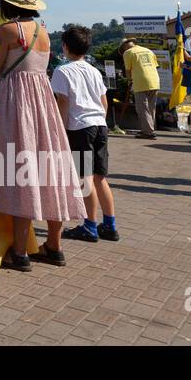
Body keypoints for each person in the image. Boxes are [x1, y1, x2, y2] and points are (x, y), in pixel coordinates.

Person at [0, 0, 85, 271]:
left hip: (16, 103)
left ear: (6, 2)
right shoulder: (44, 31)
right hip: (43, 101)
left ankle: (21, 252)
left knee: (20, 169)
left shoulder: (8, 30)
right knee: (49, 167)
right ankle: (54, 246)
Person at [54, 25, 119, 243]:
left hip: (79, 127)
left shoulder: (62, 71)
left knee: (85, 179)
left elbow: (62, 102)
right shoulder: (93, 70)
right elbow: (104, 101)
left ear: (65, 46)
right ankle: (109, 224)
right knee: (100, 177)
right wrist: (100, 119)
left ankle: (89, 225)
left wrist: (61, 131)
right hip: (100, 124)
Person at [120, 38, 161, 139]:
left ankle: (148, 132)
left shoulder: (128, 53)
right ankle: (149, 129)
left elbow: (128, 71)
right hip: (154, 81)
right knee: (151, 108)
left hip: (141, 82)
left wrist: (129, 80)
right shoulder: (148, 51)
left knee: (142, 108)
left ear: (124, 46)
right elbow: (155, 66)